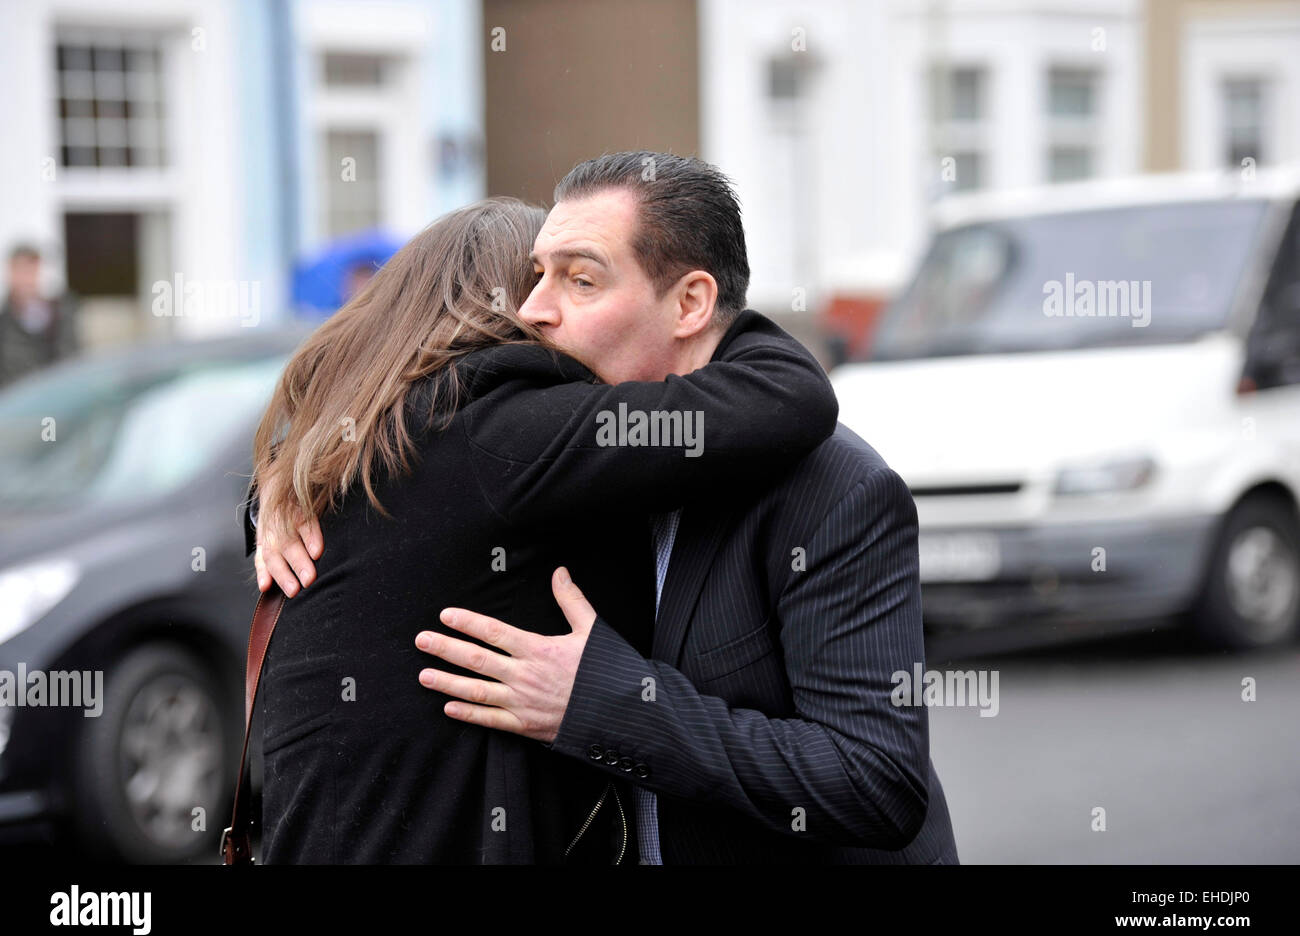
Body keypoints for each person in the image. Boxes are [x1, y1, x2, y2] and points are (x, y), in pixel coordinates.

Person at [259, 152, 961, 864]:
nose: (531, 309)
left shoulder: (835, 490)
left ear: (689, 303)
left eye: (580, 279)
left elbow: (876, 782)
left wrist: (610, 702)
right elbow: (422, 470)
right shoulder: (563, 464)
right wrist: (279, 491)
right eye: (536, 275)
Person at [0, 243, 79, 389]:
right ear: (10, 273)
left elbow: (71, 359)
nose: (26, 279)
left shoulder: (60, 313)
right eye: (20, 271)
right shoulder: (4, 322)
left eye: (30, 271)